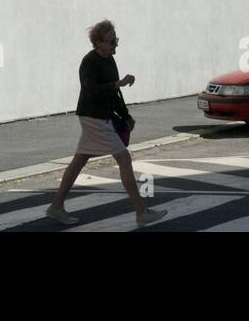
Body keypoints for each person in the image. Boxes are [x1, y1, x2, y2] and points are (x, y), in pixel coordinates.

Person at [46, 20, 166, 227]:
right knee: (123, 157)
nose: (115, 45)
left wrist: (125, 114)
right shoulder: (90, 62)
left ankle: (56, 206)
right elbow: (92, 90)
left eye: (116, 40)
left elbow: (114, 94)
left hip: (100, 116)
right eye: (111, 41)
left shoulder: (109, 60)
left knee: (80, 160)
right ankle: (141, 211)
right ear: (98, 42)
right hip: (93, 117)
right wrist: (117, 84)